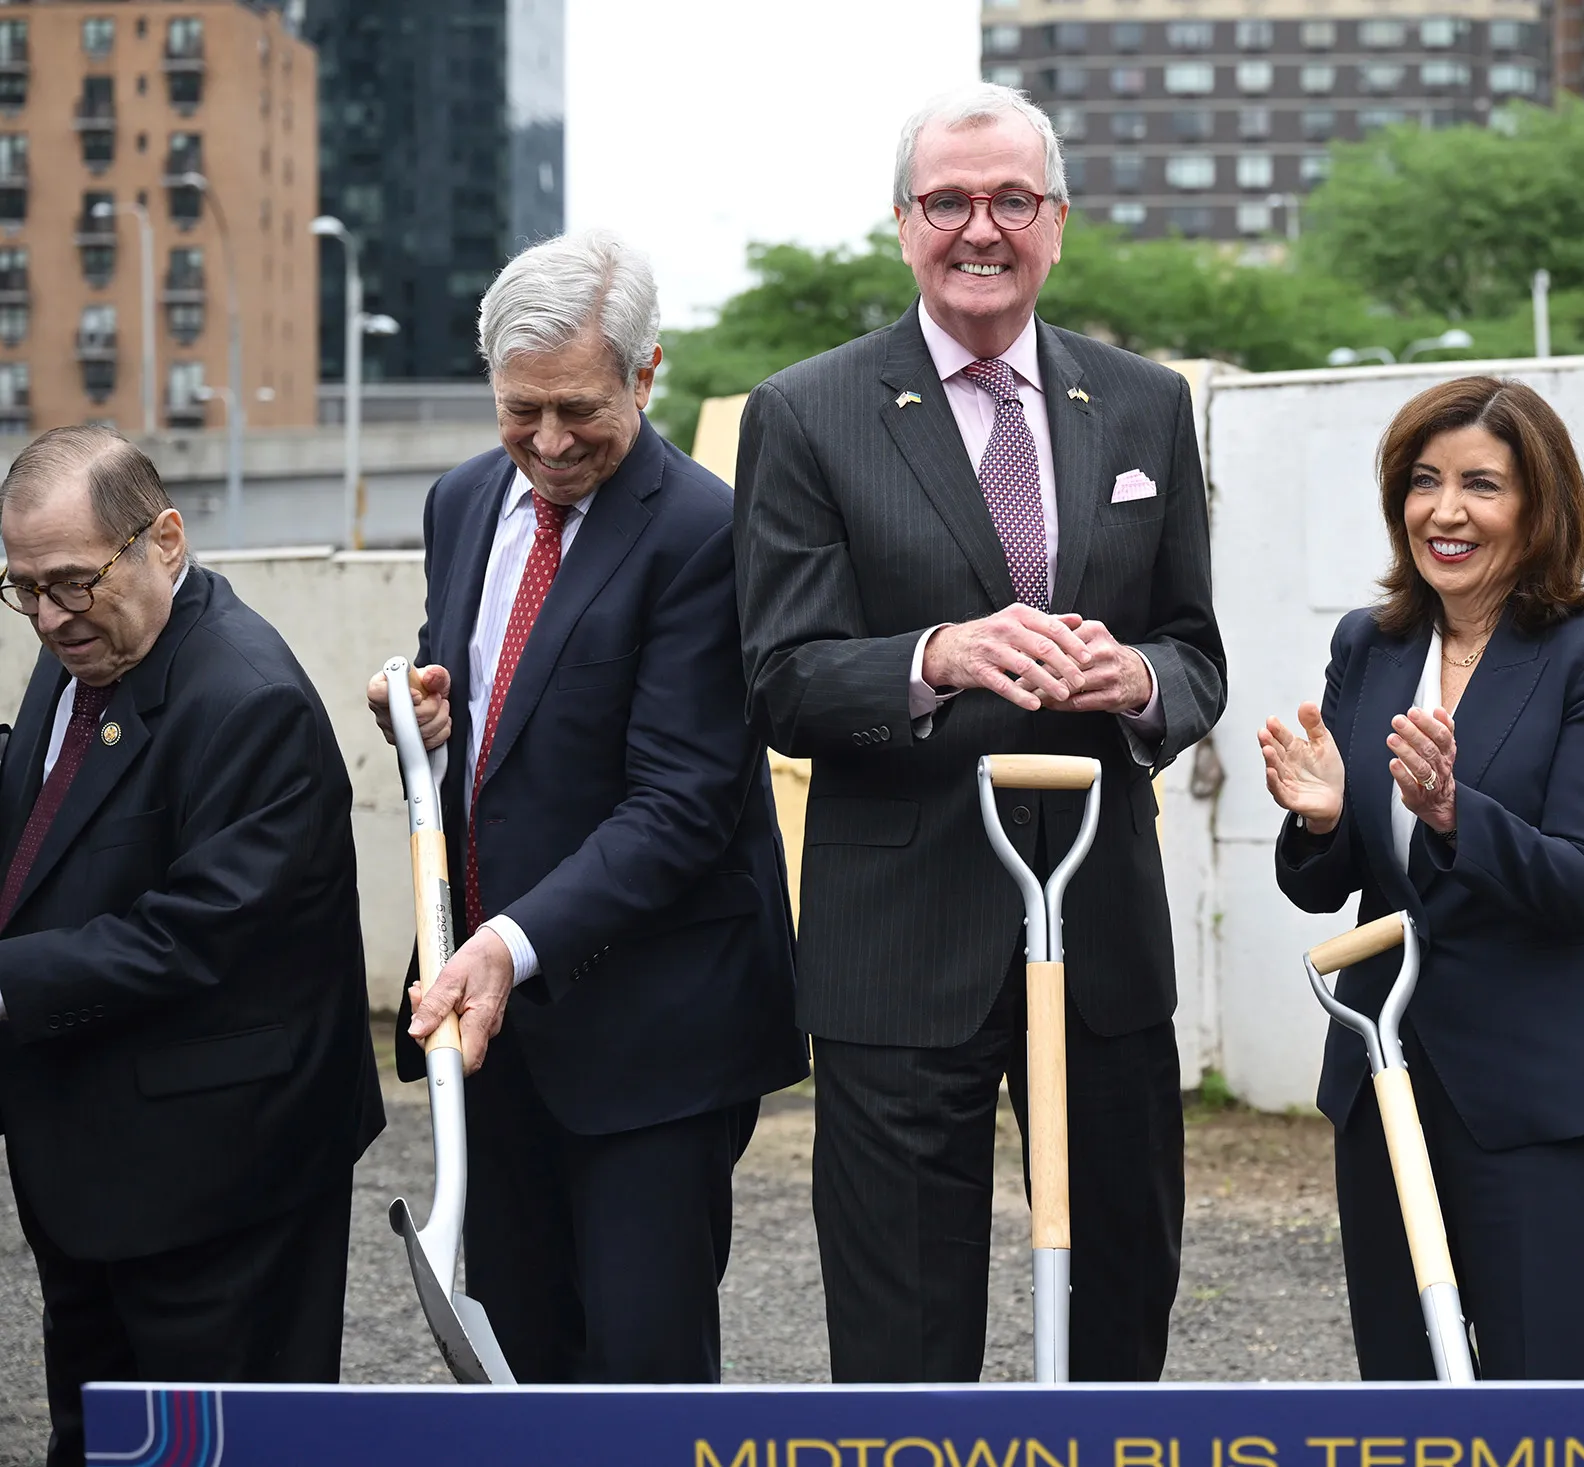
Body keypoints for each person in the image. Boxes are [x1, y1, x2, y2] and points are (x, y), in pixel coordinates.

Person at [732, 82, 1225, 1382]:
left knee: (1123, 1302)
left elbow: (1196, 649)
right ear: (903, 226)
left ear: (1057, 222)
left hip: (1102, 929)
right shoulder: (807, 412)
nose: (981, 227)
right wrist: (933, 656)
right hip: (900, 942)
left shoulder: (1143, 405)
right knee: (901, 1335)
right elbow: (780, 678)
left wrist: (1140, 682)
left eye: (1012, 198)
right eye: (949, 200)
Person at [365, 230, 806, 1383]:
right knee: (516, 1354)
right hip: (492, 1023)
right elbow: (475, 703)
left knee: (640, 1370)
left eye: (578, 410)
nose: (548, 446)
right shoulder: (463, 501)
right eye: (521, 412)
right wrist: (417, 716)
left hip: (655, 1030)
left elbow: (680, 803)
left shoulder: (707, 531)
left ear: (646, 375)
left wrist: (509, 945)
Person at [0, 427, 383, 1465]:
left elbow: (196, 933)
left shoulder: (244, 696)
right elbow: (45, 827)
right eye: (21, 588)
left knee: (221, 1446)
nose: (47, 616)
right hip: (98, 1164)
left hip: (221, 1180)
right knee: (102, 1438)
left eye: (71, 581)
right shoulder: (92, 639)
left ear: (164, 538)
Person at [1260, 376, 1584, 1380]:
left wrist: (1450, 812)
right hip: (1385, 1072)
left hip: (1538, 1093)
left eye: (1481, 484)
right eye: (1422, 482)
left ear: (1538, 504)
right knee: (1404, 1390)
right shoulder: (1373, 643)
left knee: (1548, 1397)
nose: (1445, 511)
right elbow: (1338, 883)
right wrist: (1319, 821)